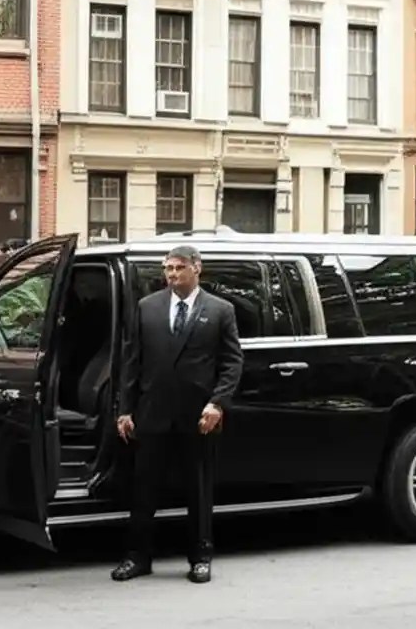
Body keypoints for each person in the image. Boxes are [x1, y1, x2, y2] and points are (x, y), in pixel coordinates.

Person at [111, 245, 243, 584]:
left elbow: (231, 363)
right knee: (144, 490)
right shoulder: (147, 307)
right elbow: (132, 362)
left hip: (197, 416)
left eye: (179, 267)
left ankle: (200, 557)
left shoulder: (220, 310)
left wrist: (217, 403)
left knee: (198, 490)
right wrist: (125, 409)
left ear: (197, 268)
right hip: (152, 414)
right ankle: (137, 557)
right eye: (167, 268)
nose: (171, 274)